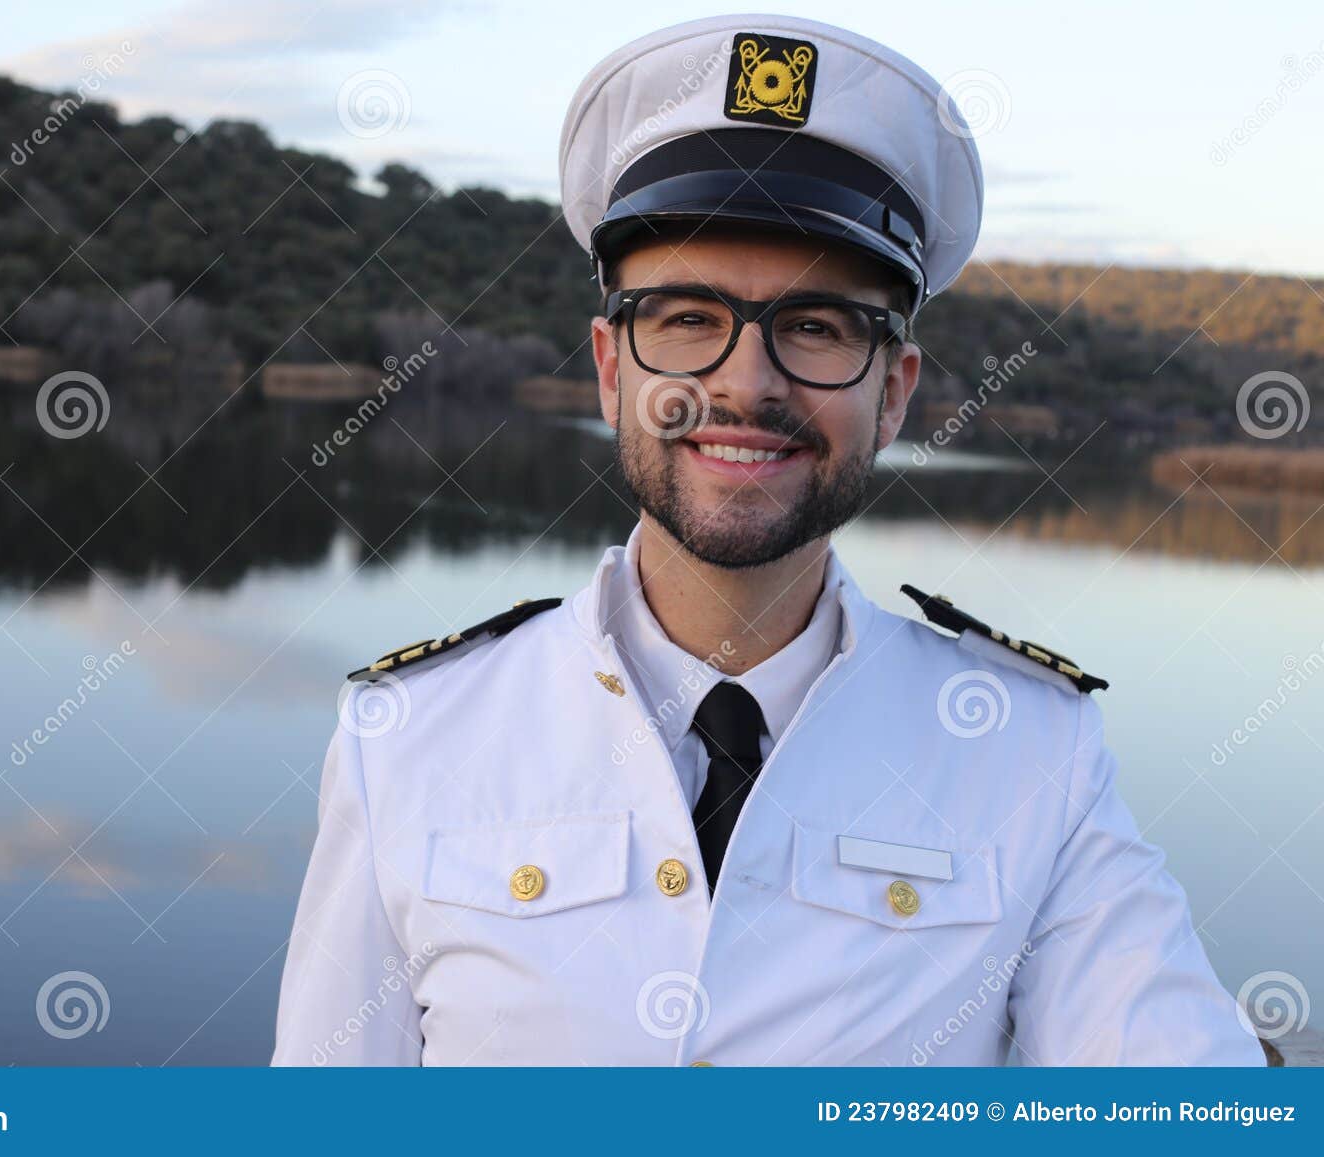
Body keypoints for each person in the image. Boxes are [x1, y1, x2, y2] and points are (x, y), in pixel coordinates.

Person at [271, 13, 1265, 1067]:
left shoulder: (1027, 754)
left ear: (895, 392)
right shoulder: (413, 734)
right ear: (612, 368)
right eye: (688, 317)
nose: (745, 384)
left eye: (817, 327)